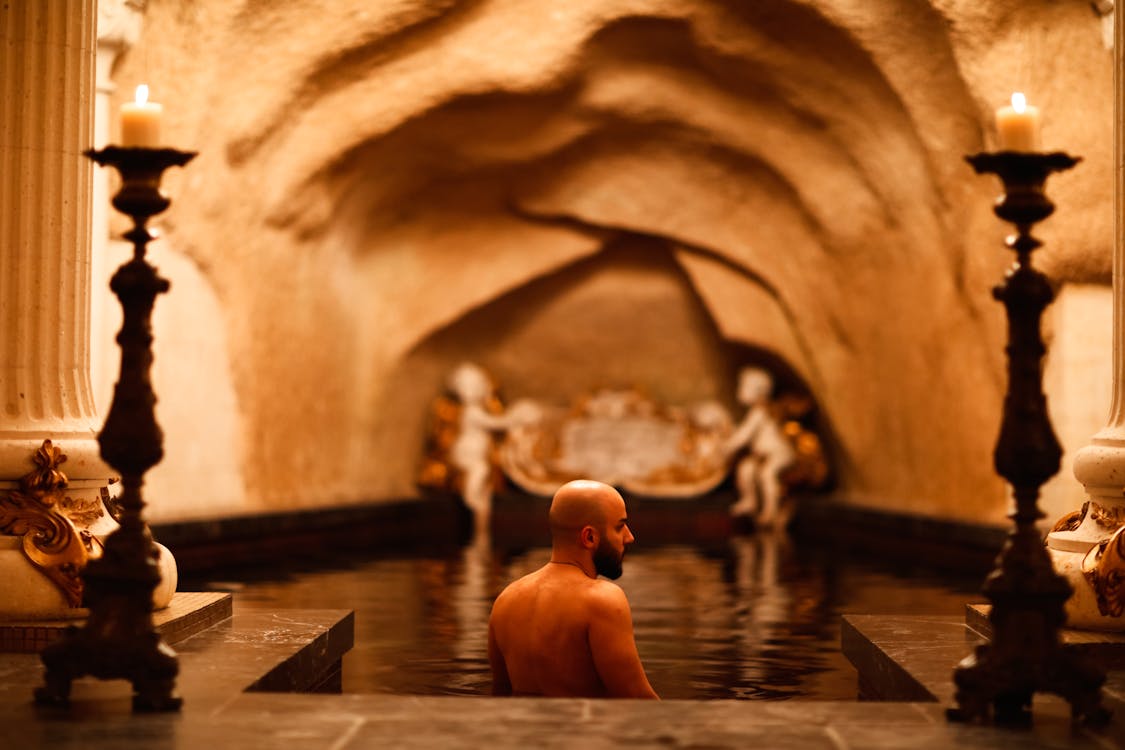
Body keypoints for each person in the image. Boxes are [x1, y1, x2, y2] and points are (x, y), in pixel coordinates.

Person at [487, 479, 659, 699]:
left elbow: (499, 696)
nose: (629, 536)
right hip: (584, 731)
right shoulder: (602, 600)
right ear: (589, 537)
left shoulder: (506, 599)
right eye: (620, 526)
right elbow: (639, 701)